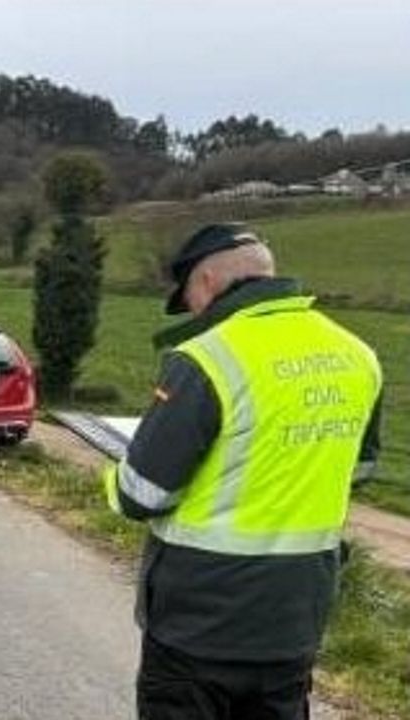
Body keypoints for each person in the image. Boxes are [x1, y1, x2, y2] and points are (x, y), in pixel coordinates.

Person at [102, 223, 383, 720]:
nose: (193, 312)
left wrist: (119, 466)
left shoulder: (205, 358)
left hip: (199, 622)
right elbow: (358, 469)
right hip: (294, 616)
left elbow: (140, 495)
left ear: (206, 282)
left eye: (189, 298)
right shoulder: (357, 355)